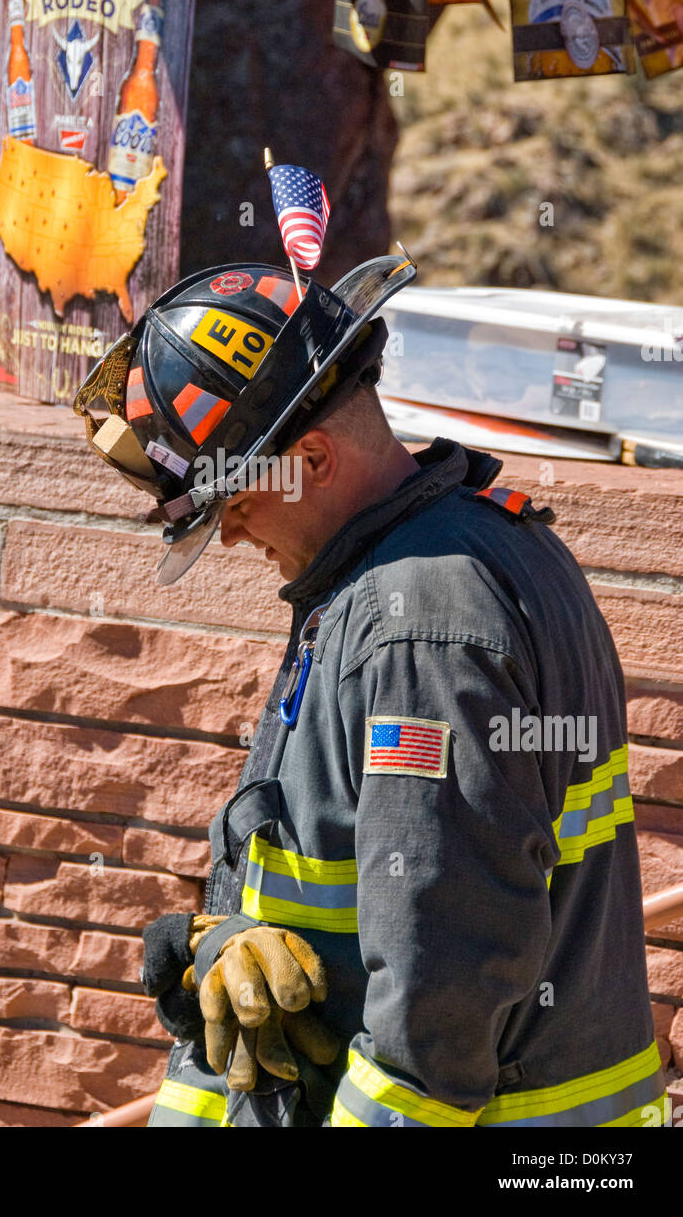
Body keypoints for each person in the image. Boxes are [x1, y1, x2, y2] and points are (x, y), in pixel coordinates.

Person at [74, 257, 668, 1128]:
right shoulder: (418, 561)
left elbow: (443, 990)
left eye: (232, 504)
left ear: (310, 455)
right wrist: (230, 936)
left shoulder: (419, 626)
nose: (231, 536)